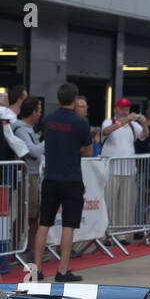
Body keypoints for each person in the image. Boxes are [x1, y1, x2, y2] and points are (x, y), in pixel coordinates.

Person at [32, 82, 90, 283]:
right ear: (75, 100)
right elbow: (88, 151)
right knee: (68, 225)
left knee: (44, 223)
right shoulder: (81, 123)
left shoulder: (48, 120)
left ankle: (37, 270)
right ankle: (62, 270)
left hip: (50, 177)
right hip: (72, 178)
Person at [100, 96, 147, 235]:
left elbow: (145, 135)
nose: (125, 111)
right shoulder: (109, 121)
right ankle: (106, 234)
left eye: (127, 109)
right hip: (111, 170)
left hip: (129, 170)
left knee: (126, 205)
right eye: (122, 108)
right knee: (109, 204)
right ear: (115, 109)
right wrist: (125, 121)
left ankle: (122, 235)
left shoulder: (133, 125)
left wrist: (144, 123)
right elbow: (106, 131)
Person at [12, 97, 45, 244]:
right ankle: (17, 247)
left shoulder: (28, 129)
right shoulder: (20, 130)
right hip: (27, 176)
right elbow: (33, 152)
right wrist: (48, 139)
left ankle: (29, 247)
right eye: (39, 111)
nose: (40, 114)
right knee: (26, 213)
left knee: (33, 214)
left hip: (34, 175)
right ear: (33, 112)